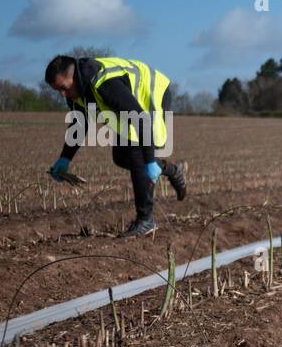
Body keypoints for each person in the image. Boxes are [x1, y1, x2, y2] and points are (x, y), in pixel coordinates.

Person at [45, 54, 187, 238]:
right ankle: (172, 170)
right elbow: (79, 126)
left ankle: (146, 220)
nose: (62, 95)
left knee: (138, 157)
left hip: (152, 92)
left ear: (73, 77)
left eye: (63, 88)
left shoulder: (105, 85)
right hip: (131, 107)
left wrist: (150, 160)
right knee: (121, 157)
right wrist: (65, 158)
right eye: (58, 90)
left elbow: (141, 119)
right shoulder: (74, 92)